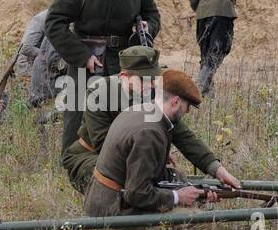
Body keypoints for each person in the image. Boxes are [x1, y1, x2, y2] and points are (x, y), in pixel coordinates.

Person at [61, 45, 240, 195]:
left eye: (154, 78)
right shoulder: (100, 92)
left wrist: (216, 168)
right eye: (144, 79)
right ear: (125, 77)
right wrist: (148, 150)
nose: (152, 84)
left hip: (126, 156)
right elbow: (103, 143)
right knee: (123, 180)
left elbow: (183, 135)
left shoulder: (151, 95)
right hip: (89, 156)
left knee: (167, 182)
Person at [44, 0, 161, 151]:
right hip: (85, 60)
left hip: (123, 61)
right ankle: (74, 163)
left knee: (127, 112)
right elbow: (54, 22)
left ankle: (120, 160)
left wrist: (148, 27)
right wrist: (82, 56)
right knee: (77, 115)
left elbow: (153, 15)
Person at [83, 69, 219, 230]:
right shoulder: (151, 132)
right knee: (194, 216)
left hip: (102, 201)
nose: (187, 111)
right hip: (113, 211)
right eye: (187, 106)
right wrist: (177, 196)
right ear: (175, 101)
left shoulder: (140, 110)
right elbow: (137, 193)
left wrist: (193, 190)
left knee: (183, 195)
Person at [186, 0, 238, 94]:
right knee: (219, 48)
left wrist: (200, 9)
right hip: (223, 10)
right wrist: (229, 5)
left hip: (202, 13)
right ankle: (200, 83)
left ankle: (207, 93)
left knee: (205, 51)